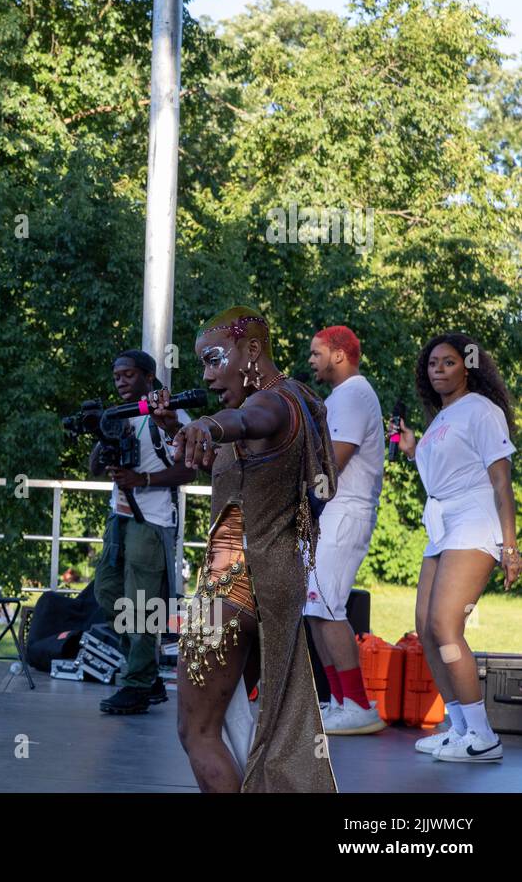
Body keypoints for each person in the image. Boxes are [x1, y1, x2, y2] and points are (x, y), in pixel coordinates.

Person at [170, 307, 338, 793]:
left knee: (197, 729)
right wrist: (176, 427)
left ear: (253, 351)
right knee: (257, 728)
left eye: (215, 358)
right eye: (202, 362)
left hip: (234, 582)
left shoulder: (272, 405)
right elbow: (237, 470)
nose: (207, 374)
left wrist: (211, 424)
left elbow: (243, 420)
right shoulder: (300, 401)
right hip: (274, 579)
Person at [395, 333, 517, 763]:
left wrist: (511, 545)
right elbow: (440, 474)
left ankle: (483, 737)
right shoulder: (441, 418)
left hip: (474, 518)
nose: (439, 370)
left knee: (446, 626)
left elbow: (501, 481)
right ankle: (459, 727)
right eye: (432, 364)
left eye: (448, 362)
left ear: (468, 366)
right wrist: (413, 449)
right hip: (442, 524)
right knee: (426, 628)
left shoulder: (481, 411)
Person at [93, 349, 196, 715]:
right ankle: (146, 674)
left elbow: (191, 470)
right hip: (118, 518)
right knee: (107, 594)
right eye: (116, 375)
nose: (120, 381)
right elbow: (94, 468)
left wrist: (144, 480)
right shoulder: (119, 415)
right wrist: (101, 434)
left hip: (150, 520)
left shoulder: (170, 416)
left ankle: (137, 684)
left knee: (141, 606)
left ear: (149, 377)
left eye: (129, 374)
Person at [304, 326, 386, 736]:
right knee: (317, 610)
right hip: (332, 513)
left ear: (339, 354)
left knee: (329, 608)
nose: (311, 361)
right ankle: (340, 700)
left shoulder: (354, 393)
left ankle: (357, 704)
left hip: (345, 511)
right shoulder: (341, 396)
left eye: (316, 353)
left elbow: (333, 461)